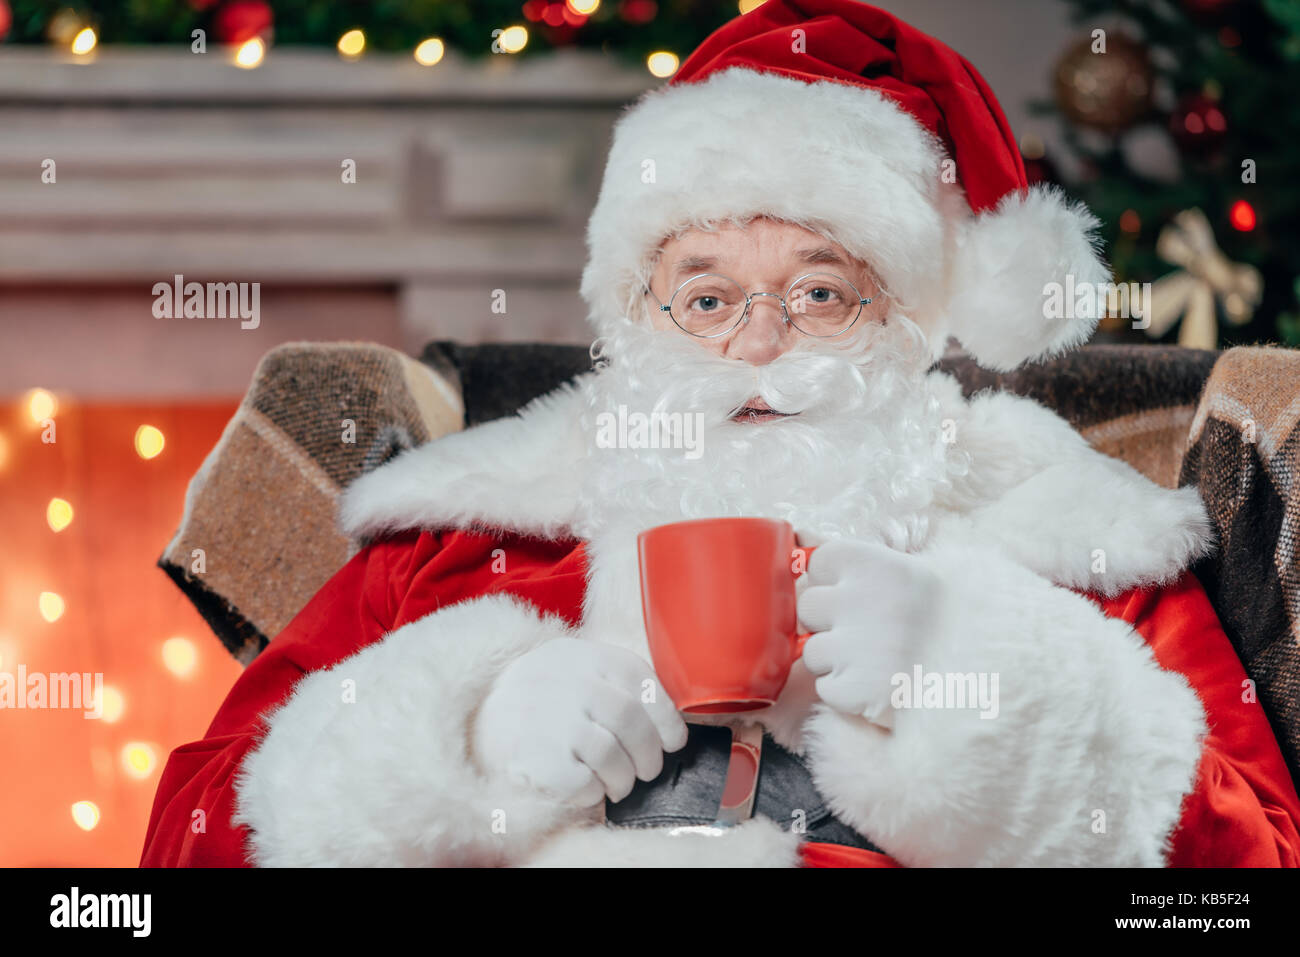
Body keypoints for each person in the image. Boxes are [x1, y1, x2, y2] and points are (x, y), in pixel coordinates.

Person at [141, 0, 1300, 867]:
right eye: (705, 298)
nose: (756, 345)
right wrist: (461, 741)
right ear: (634, 316)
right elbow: (184, 842)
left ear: (912, 325)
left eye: (819, 293)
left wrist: (981, 683)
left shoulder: (1065, 533)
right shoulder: (466, 540)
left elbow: (1248, 870)